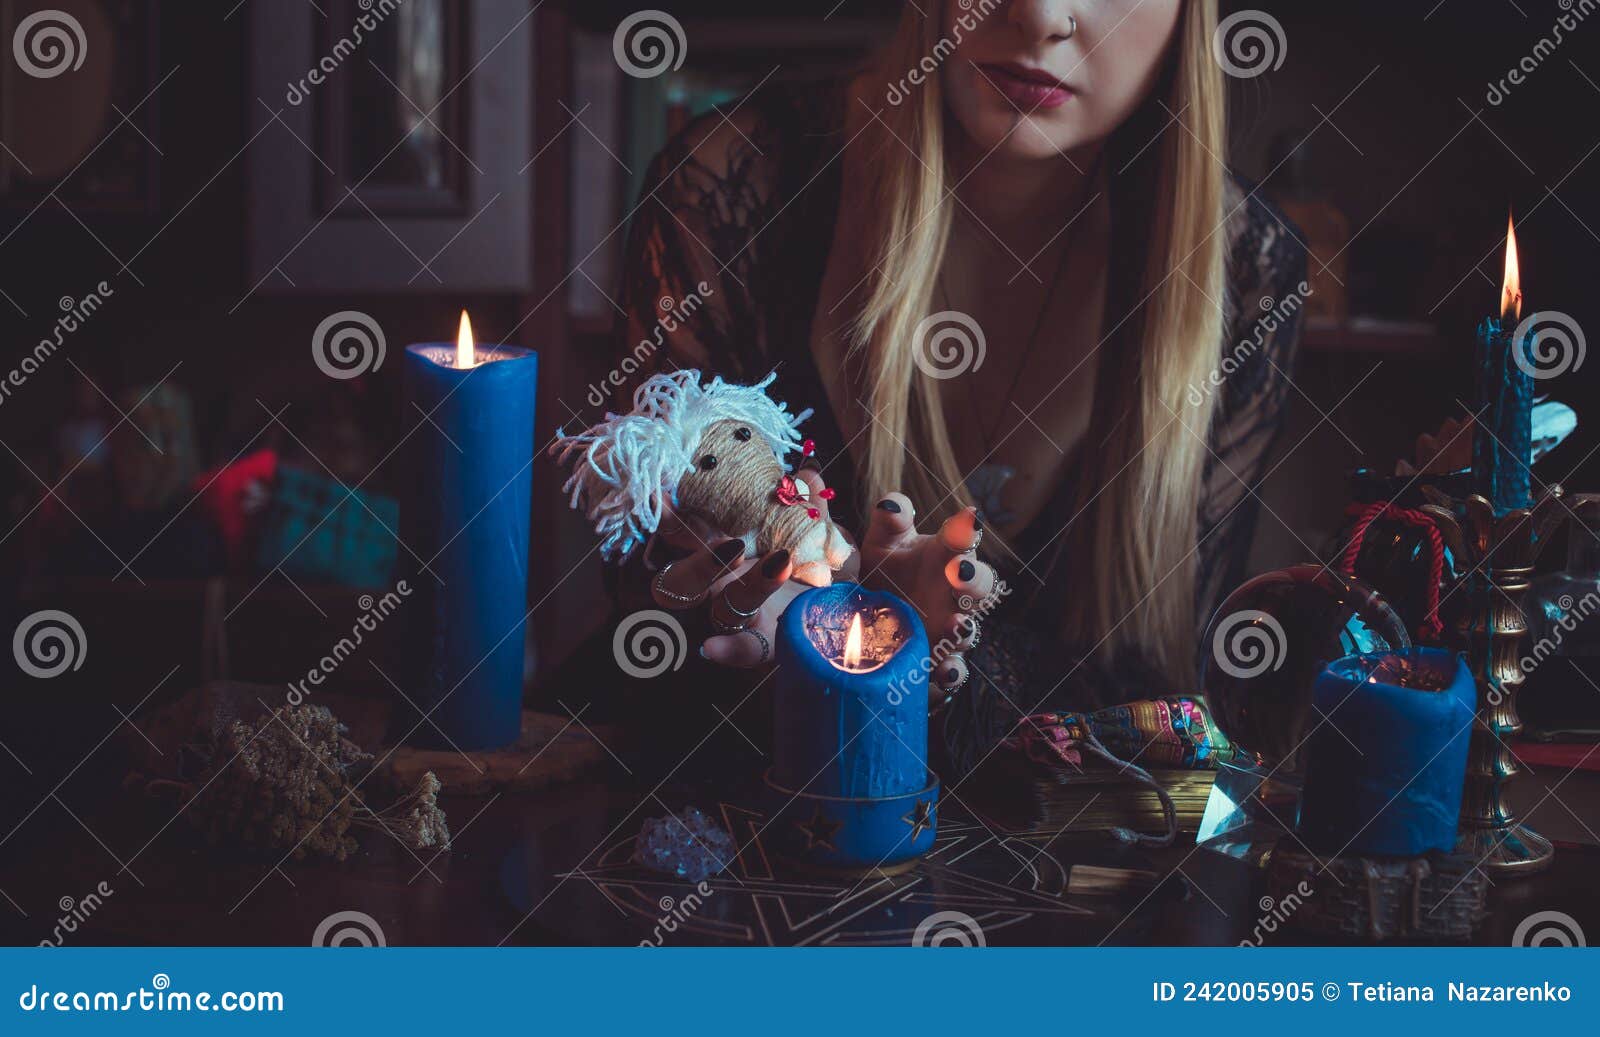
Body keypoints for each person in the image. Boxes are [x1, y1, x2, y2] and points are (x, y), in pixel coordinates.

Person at [600, 0, 1307, 778]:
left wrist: (952, 669)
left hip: (1054, 876)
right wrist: (725, 611)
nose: (1039, 15)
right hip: (718, 820)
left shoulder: (1243, 272)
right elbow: (642, 620)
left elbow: (1162, 709)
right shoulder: (733, 189)